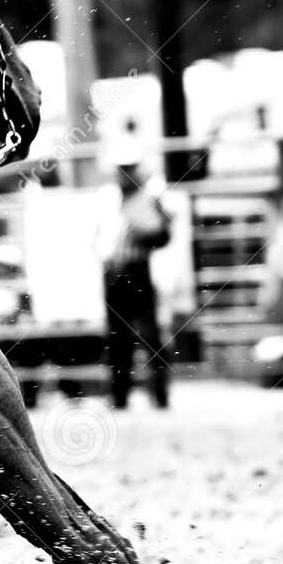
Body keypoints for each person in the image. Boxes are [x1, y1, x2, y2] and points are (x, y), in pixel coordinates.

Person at [96, 144, 173, 409]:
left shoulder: (148, 197)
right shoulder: (109, 197)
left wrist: (141, 230)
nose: (125, 173)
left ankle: (159, 395)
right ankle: (120, 397)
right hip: (115, 272)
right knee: (119, 338)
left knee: (149, 335)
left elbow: (162, 234)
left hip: (138, 270)